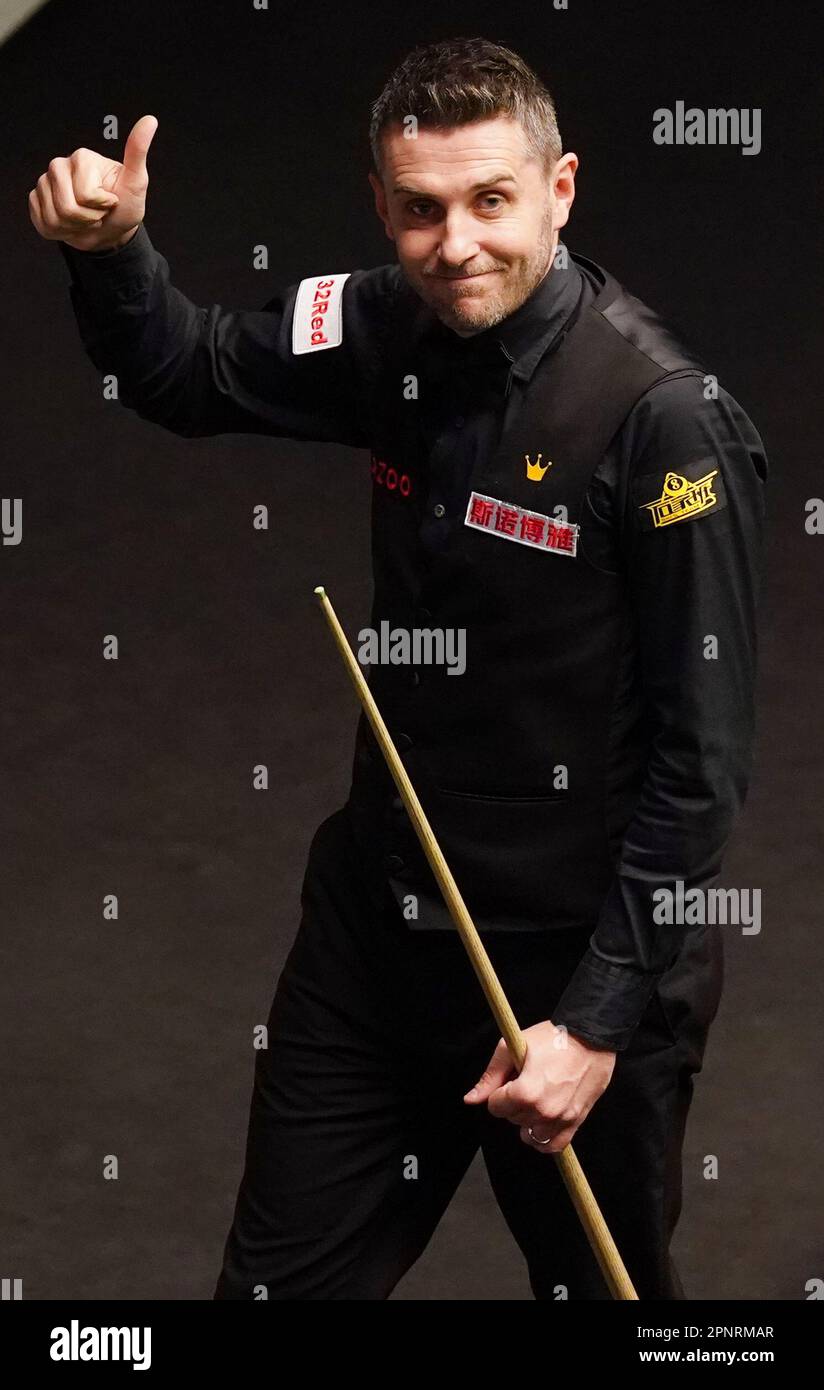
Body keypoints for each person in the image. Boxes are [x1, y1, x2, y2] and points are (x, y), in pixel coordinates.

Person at [30, 36, 768, 1300]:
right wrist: (110, 255)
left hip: (571, 965)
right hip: (380, 935)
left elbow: (698, 774)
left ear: (560, 188)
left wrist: (593, 1024)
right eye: (419, 210)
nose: (456, 245)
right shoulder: (385, 320)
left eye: (490, 201)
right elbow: (182, 369)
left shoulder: (663, 419)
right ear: (381, 205)